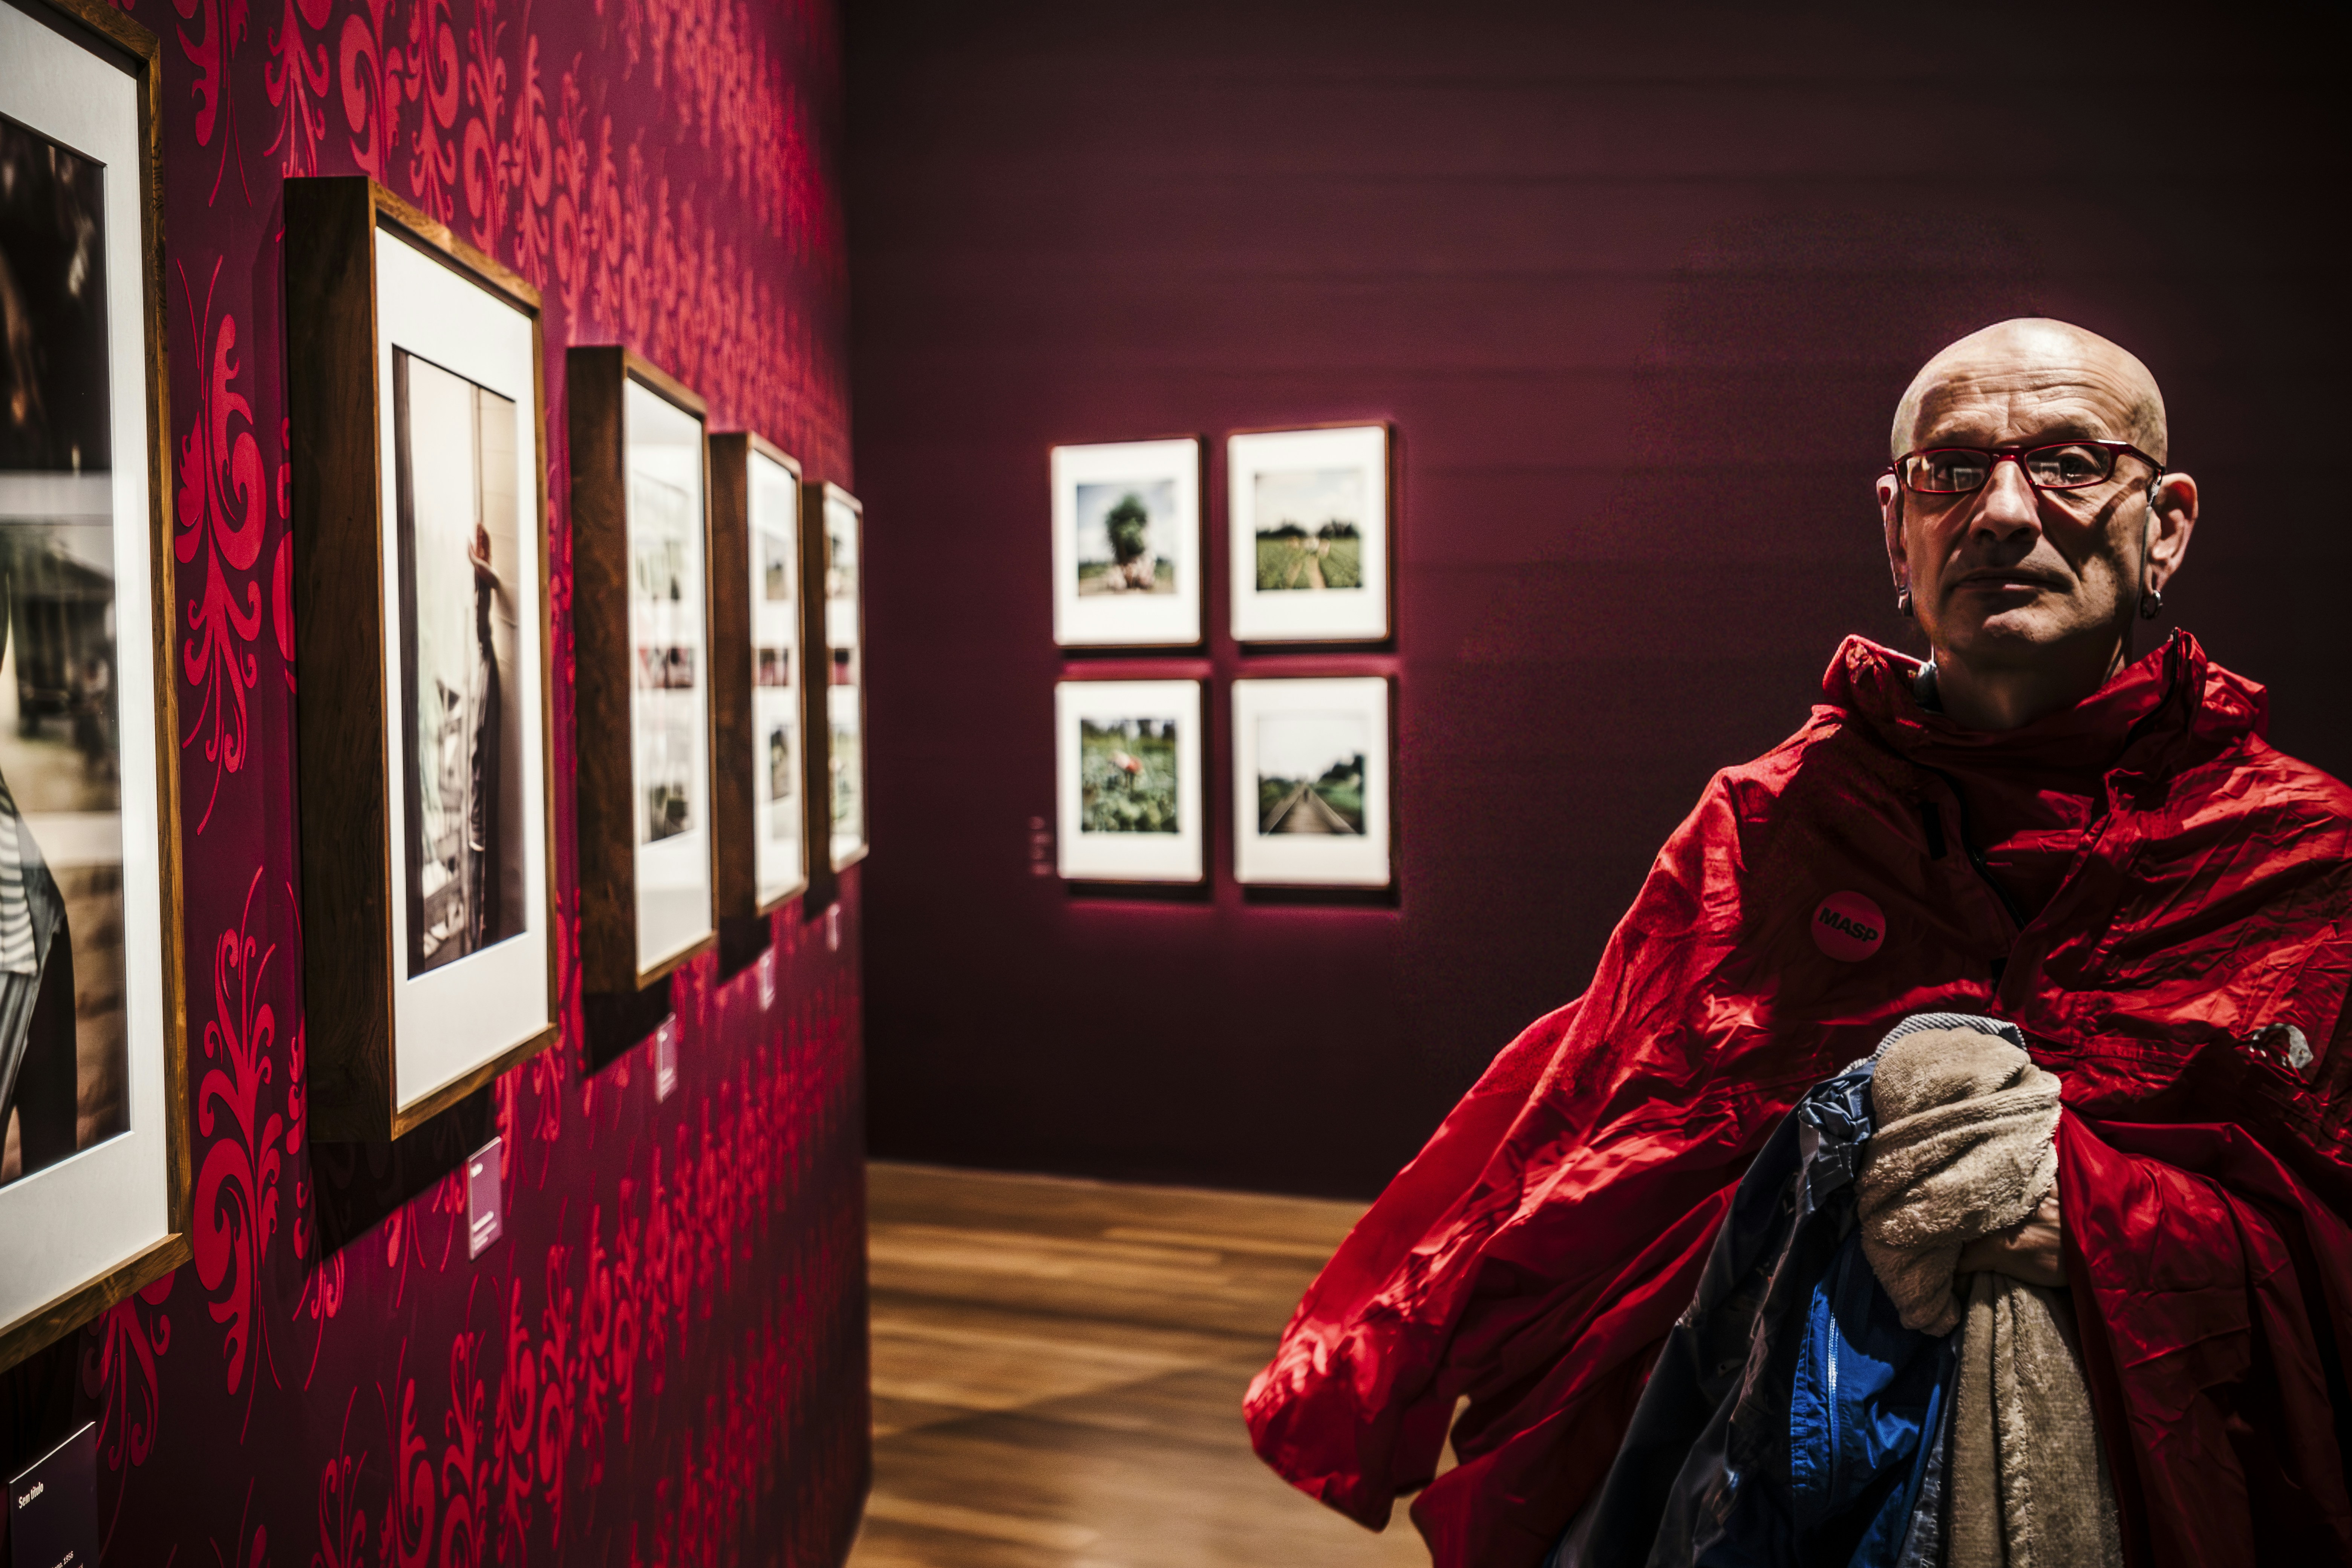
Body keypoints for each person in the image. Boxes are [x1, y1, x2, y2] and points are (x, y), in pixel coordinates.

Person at [1245, 319, 2352, 1565]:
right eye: (1950, 472)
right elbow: (1598, 1147)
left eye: (2072, 463)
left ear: (2170, 524)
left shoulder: (2302, 859)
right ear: (1897, 530)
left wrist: (2095, 1214)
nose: (2002, 512)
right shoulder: (1768, 829)